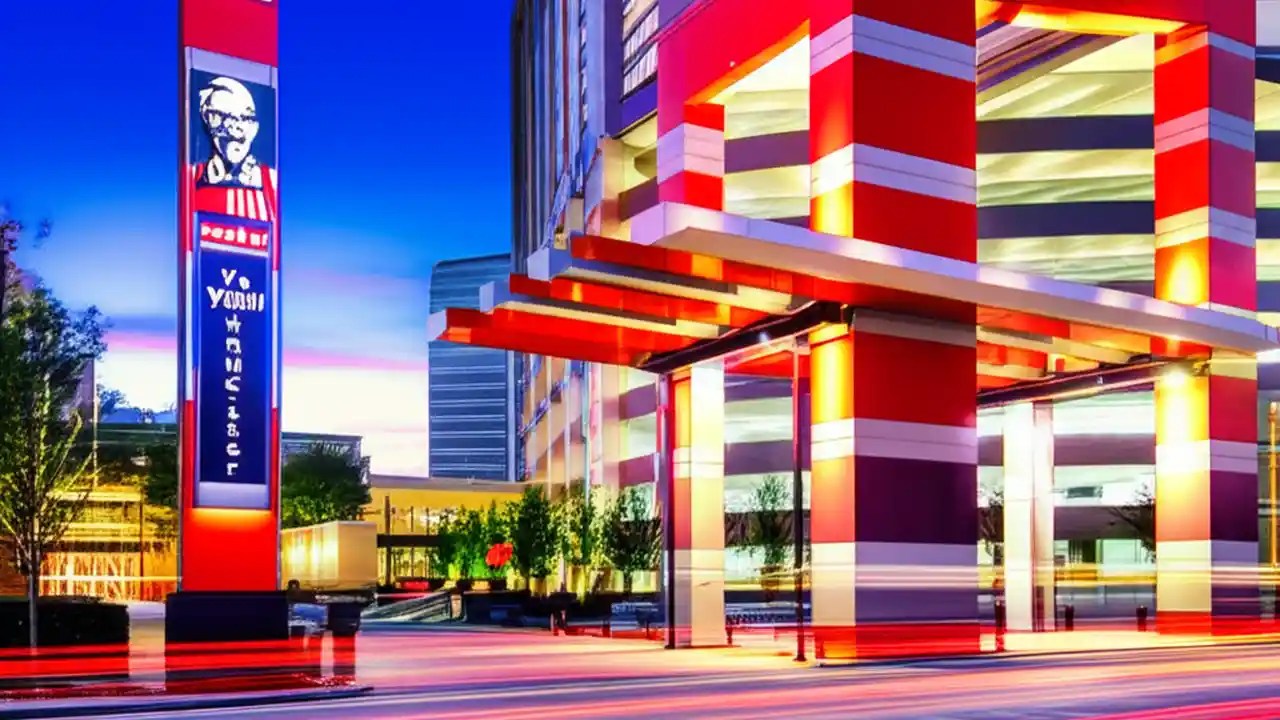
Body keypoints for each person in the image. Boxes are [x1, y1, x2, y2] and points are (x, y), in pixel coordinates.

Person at [190, 76, 278, 223]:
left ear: (255, 127)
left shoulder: (272, 181)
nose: (234, 129)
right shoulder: (191, 177)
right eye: (220, 116)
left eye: (245, 118)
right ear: (207, 121)